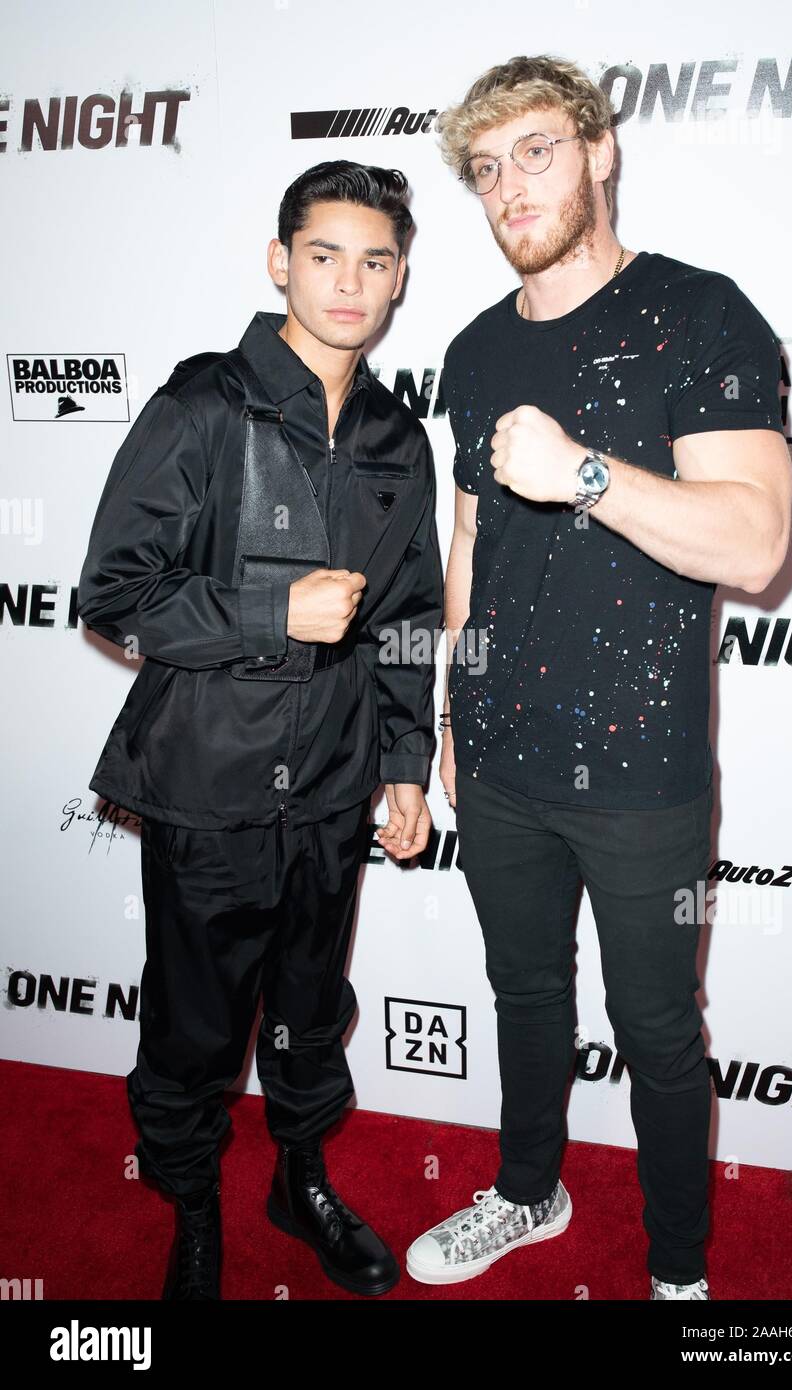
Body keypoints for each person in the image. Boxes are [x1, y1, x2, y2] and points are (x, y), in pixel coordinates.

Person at [406, 55, 792, 1299]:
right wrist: (449, 713)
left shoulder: (698, 313)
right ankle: (528, 1192)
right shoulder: (469, 352)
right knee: (521, 992)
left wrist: (581, 470)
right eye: (484, 169)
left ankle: (676, 1273)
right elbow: (469, 545)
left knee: (659, 1035)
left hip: (641, 776)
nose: (509, 187)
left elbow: (753, 541)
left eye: (533, 151)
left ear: (597, 151)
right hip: (503, 760)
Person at [77, 160, 443, 1300]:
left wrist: (403, 764)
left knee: (306, 1009)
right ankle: (191, 1207)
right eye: (324, 254)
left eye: (374, 261)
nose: (348, 282)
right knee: (193, 1026)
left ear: (397, 281)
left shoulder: (397, 438)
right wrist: (264, 612)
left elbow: (412, 616)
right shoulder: (200, 404)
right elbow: (111, 593)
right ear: (280, 261)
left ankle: (298, 1178)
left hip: (333, 785)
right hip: (209, 783)